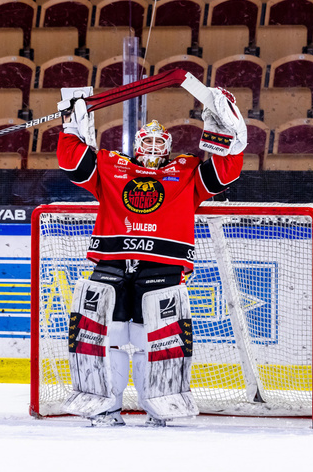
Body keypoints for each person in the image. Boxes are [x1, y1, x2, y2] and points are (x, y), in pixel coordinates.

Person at [55, 85, 246, 427]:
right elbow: (73, 164)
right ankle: (104, 406)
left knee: (155, 342)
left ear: (169, 148)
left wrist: (224, 130)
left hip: (163, 268)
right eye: (148, 142)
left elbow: (225, 172)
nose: (154, 148)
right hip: (111, 265)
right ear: (137, 144)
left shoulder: (186, 172)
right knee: (105, 339)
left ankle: (161, 405)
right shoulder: (113, 167)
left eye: (161, 143)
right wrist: (71, 126)